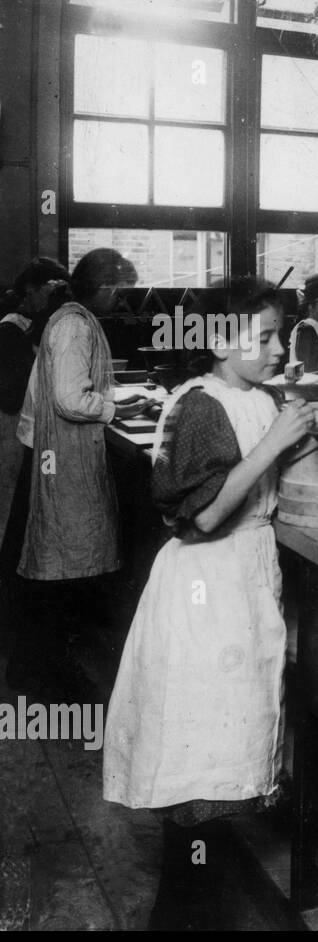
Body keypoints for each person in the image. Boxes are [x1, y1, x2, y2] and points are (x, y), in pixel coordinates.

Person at [103, 276, 315, 930]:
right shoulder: (199, 404)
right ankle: (184, 915)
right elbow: (204, 518)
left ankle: (198, 904)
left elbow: (274, 476)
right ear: (220, 340)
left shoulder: (258, 395)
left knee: (231, 757)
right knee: (200, 767)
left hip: (244, 581)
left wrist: (300, 434)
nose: (280, 347)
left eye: (280, 333)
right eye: (267, 335)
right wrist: (276, 443)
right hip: (203, 591)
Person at [9, 248, 147, 696]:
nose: (122, 300)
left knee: (52, 562)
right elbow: (70, 399)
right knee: (58, 563)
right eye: (119, 291)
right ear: (103, 288)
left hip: (50, 451)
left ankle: (38, 666)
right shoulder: (73, 325)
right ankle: (45, 673)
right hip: (58, 457)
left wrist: (107, 399)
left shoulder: (69, 318)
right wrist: (111, 407)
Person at [0, 258, 70, 565]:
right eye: (49, 290)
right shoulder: (11, 328)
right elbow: (12, 395)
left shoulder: (29, 325)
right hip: (8, 430)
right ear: (30, 289)